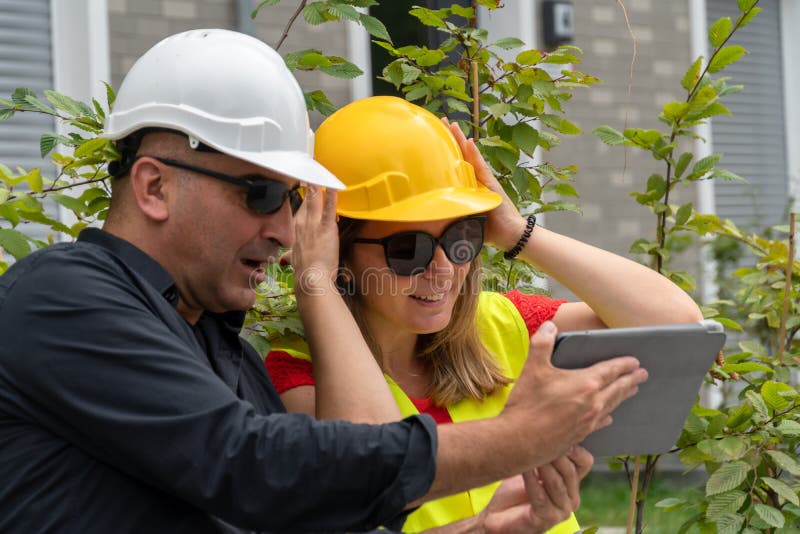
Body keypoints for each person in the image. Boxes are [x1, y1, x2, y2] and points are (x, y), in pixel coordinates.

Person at [0, 30, 647, 533]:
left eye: (291, 200)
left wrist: (486, 527)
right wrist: (524, 436)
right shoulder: (63, 299)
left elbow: (332, 498)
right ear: (154, 185)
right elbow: (256, 466)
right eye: (259, 194)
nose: (285, 231)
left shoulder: (220, 355)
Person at [265, 96, 704, 532]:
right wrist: (316, 283)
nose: (443, 269)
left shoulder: (502, 322)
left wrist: (518, 233)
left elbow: (677, 322)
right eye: (408, 249)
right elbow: (373, 472)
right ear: (336, 249)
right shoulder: (300, 372)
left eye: (461, 237)